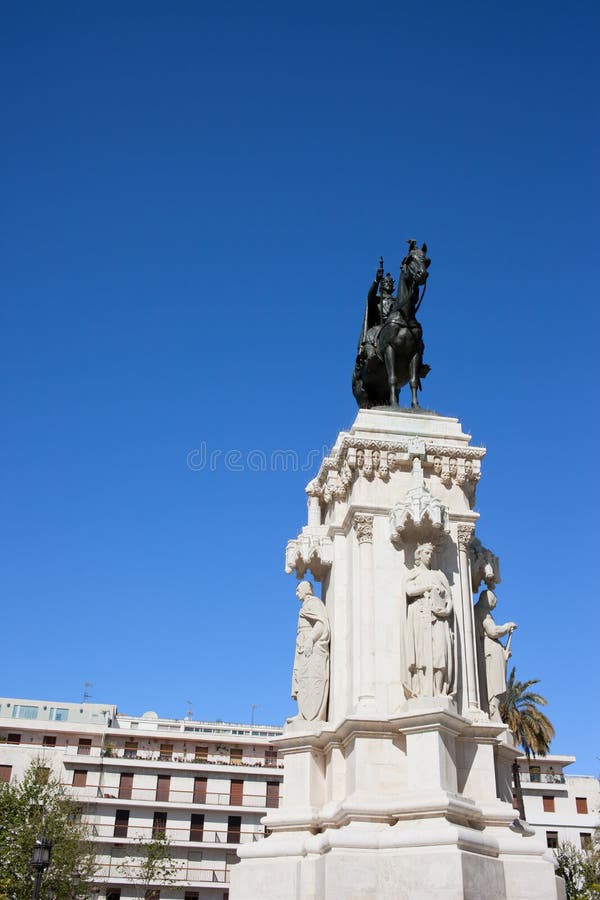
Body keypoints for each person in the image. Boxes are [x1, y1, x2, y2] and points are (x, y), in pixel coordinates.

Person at [404, 543, 454, 697]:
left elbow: (449, 598)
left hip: (439, 619)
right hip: (420, 616)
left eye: (431, 553)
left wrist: (447, 610)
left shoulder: (439, 575)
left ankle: (438, 690)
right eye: (426, 553)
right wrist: (428, 588)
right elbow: (409, 590)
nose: (429, 556)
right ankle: (421, 690)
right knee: (421, 654)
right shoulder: (414, 574)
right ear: (419, 555)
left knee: (440, 654)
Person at [473, 589, 517, 721]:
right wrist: (506, 626)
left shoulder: (480, 611)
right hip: (490, 654)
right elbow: (492, 631)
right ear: (489, 600)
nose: (494, 606)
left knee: (496, 685)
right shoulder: (482, 611)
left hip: (492, 652)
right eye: (494, 603)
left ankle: (494, 712)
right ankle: (493, 713)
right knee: (495, 685)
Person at [291, 581, 330, 721]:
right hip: (301, 644)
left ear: (307, 589)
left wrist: (310, 639)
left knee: (310, 676)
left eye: (298, 589)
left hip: (309, 644)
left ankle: (311, 715)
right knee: (301, 678)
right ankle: (303, 713)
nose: (296, 593)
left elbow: (321, 623)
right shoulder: (306, 605)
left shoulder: (314, 603)